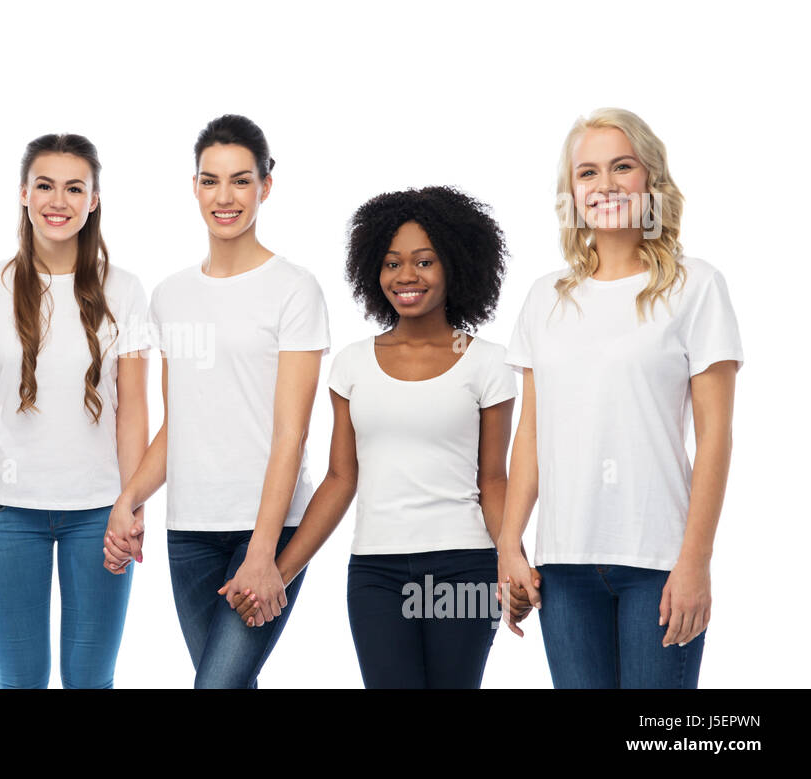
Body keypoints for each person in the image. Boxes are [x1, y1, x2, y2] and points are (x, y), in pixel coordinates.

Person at [229, 186, 534, 688]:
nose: (406, 276)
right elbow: (339, 479)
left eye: (424, 261)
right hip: (376, 574)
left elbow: (494, 481)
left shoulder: (488, 362)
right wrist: (277, 573)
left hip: (464, 569)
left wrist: (512, 558)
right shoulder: (351, 364)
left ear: (455, 265)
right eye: (392, 263)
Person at [497, 107, 742, 688]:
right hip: (563, 563)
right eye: (587, 172)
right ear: (571, 193)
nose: (604, 185)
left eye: (621, 166)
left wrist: (695, 562)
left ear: (650, 180)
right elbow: (530, 433)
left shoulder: (696, 287)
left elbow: (716, 437)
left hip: (659, 563)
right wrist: (510, 545)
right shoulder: (545, 298)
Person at [105, 114, 329, 688]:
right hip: (191, 532)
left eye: (239, 180)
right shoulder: (171, 296)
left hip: (269, 530)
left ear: (265, 187)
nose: (224, 197)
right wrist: (129, 498)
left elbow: (292, 433)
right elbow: (180, 426)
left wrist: (263, 553)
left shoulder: (294, 289)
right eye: (210, 180)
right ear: (195, 187)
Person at [0, 133, 150, 688]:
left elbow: (134, 410)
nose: (57, 201)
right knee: (19, 679)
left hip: (99, 513)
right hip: (7, 513)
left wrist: (132, 507)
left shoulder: (126, 290)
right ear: (23, 194)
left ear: (94, 200)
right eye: (44, 185)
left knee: (91, 678)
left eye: (74, 188)